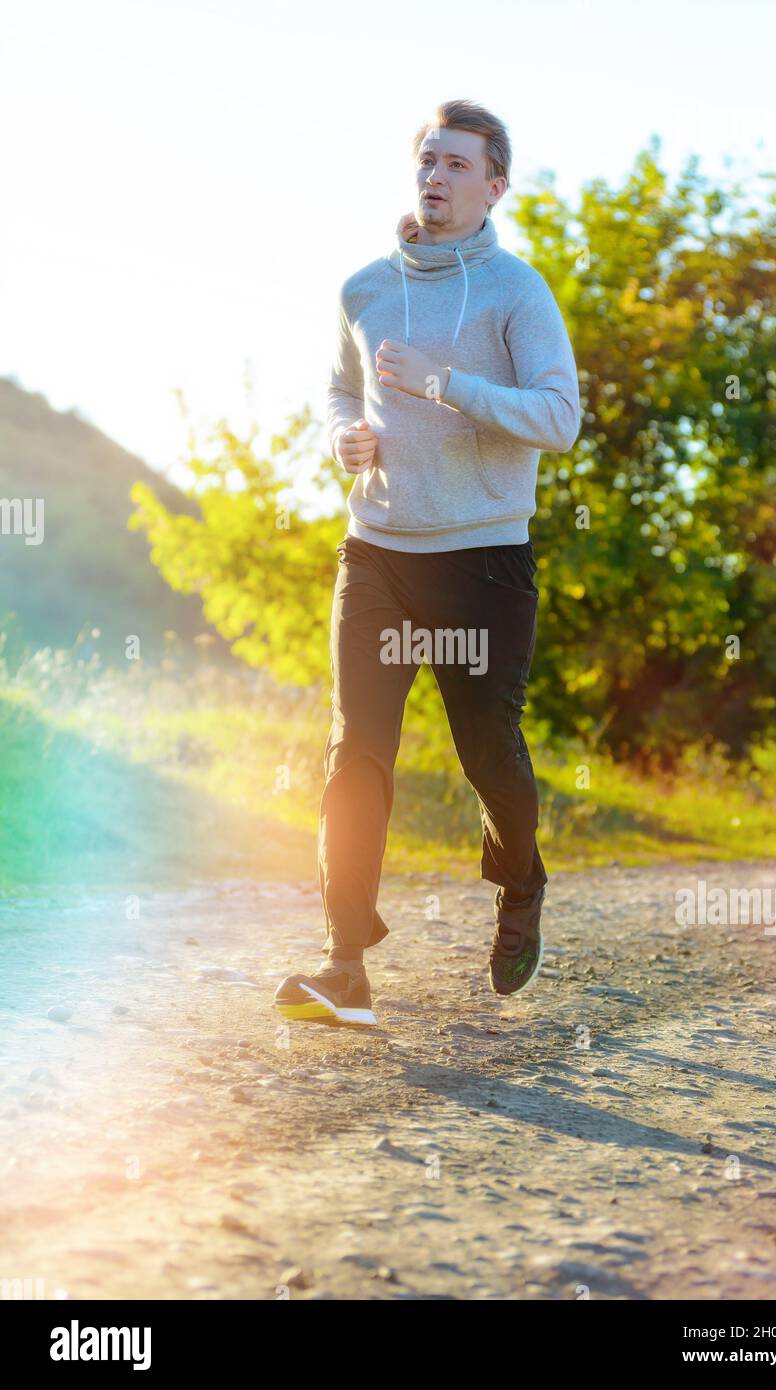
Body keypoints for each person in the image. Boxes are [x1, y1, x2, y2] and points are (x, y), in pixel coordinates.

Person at [275, 99, 581, 1027]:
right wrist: (346, 437)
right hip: (376, 552)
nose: (434, 177)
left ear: (494, 185)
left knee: (487, 751)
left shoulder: (515, 292)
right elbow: (338, 387)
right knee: (354, 749)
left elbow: (557, 419)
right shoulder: (363, 287)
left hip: (481, 560)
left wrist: (445, 386)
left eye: (456, 164)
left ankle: (519, 883)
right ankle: (345, 965)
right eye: (425, 161)